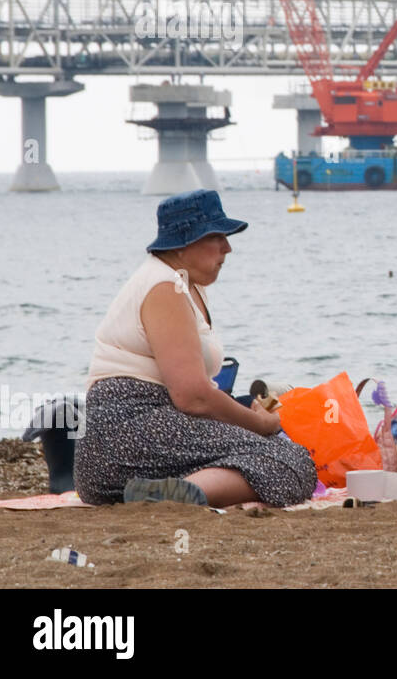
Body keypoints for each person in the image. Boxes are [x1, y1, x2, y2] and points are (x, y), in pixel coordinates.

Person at [73, 189, 318, 508]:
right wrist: (259, 423)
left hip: (124, 444)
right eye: (217, 237)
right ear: (186, 241)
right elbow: (193, 396)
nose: (227, 248)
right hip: (127, 429)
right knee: (292, 462)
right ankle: (173, 496)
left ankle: (170, 491)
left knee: (274, 454)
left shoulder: (182, 283)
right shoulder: (164, 287)